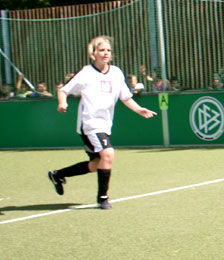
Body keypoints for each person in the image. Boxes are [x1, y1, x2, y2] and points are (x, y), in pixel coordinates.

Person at [47, 35, 158, 210]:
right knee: (108, 154)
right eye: (101, 50)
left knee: (96, 164)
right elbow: (63, 90)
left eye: (108, 50)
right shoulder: (86, 73)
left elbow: (125, 97)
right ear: (93, 54)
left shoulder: (116, 73)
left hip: (105, 124)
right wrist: (62, 103)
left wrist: (140, 110)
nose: (105, 53)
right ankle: (102, 198)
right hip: (89, 124)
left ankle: (58, 174)